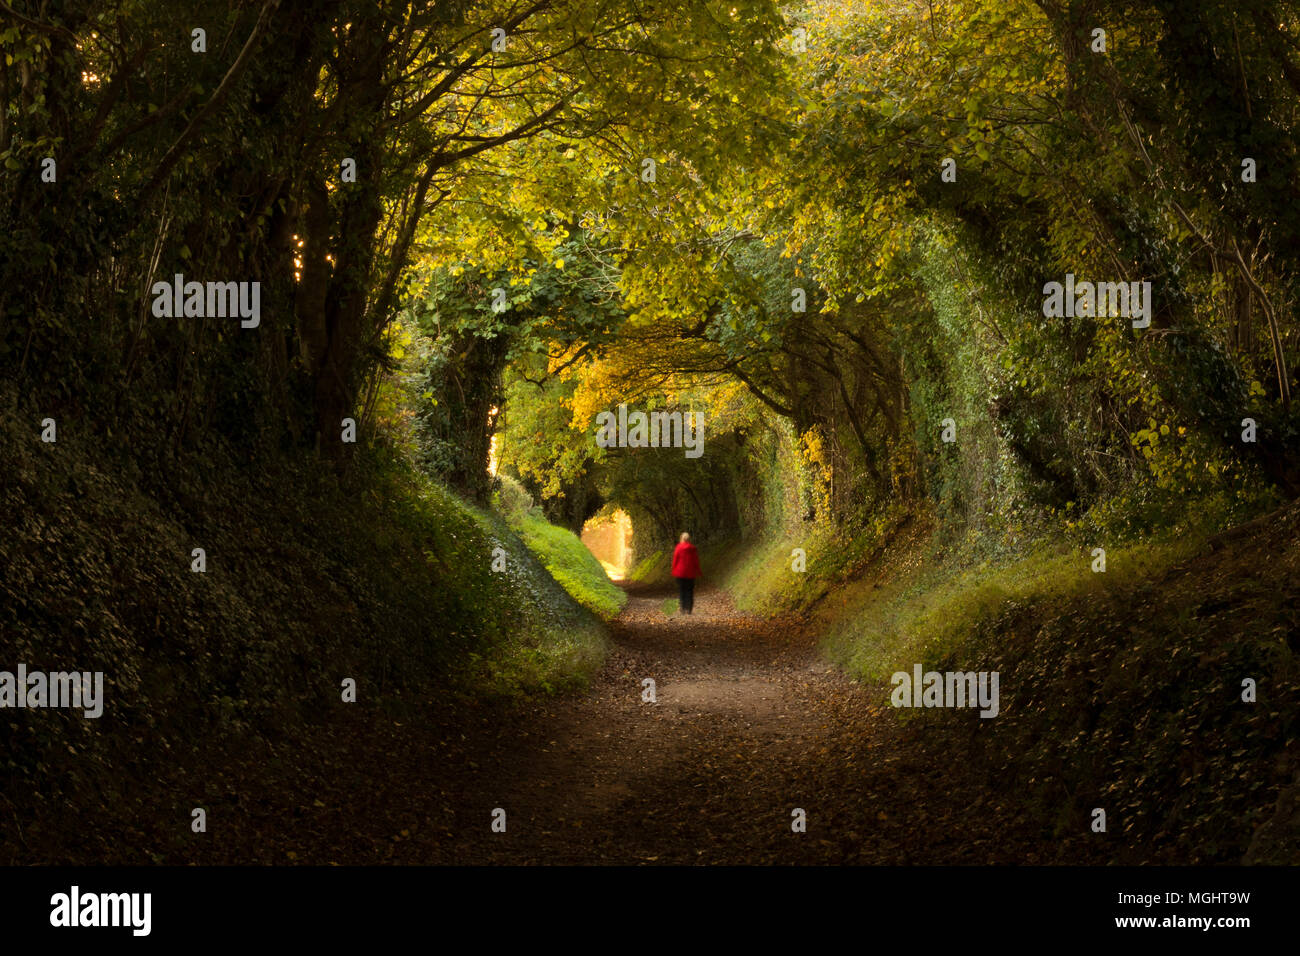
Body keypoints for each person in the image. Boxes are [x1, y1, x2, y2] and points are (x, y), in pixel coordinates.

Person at [671, 532, 700, 614]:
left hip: (680, 573)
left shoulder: (678, 548)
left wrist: (673, 570)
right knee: (690, 591)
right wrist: (698, 571)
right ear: (688, 539)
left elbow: (675, 560)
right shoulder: (693, 548)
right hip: (690, 573)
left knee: (681, 590)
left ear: (682, 539)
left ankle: (683, 608)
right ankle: (689, 609)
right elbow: (696, 561)